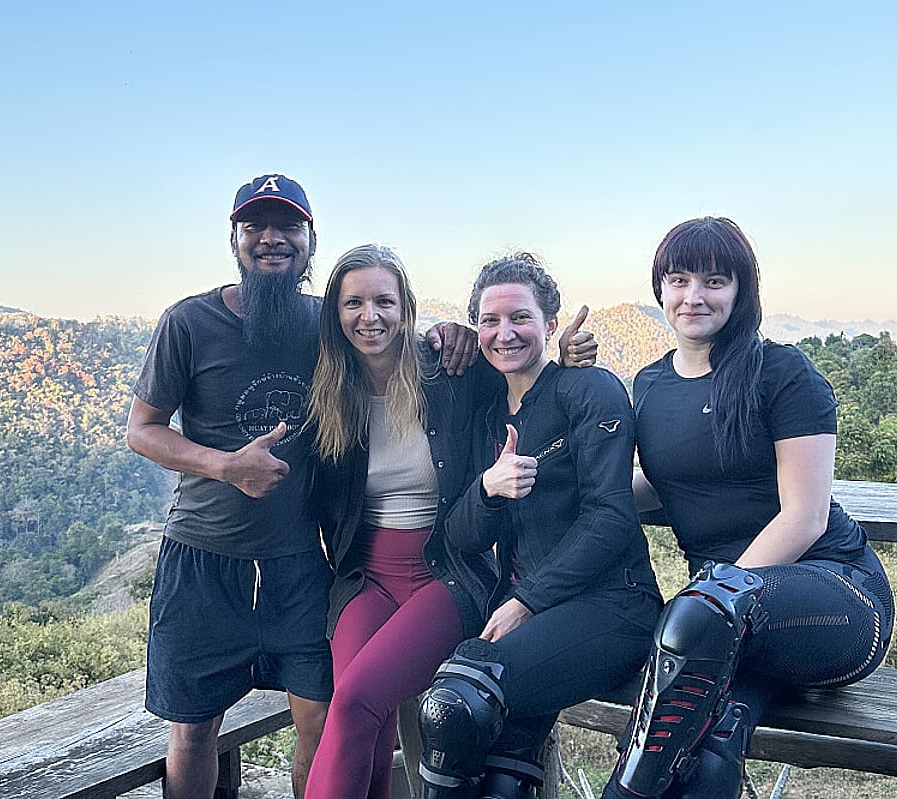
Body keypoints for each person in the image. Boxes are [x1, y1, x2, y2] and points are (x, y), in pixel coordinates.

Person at [126, 175, 478, 799]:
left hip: (301, 562)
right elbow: (143, 431)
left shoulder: (325, 323)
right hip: (203, 557)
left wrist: (450, 334)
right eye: (255, 226)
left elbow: (386, 332)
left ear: (310, 241)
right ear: (234, 239)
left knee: (321, 718)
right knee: (193, 730)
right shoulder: (189, 322)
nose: (271, 239)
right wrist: (225, 466)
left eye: (287, 226)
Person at [601, 217, 895, 799]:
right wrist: (576, 494)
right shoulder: (651, 384)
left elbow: (804, 516)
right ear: (659, 287)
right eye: (679, 279)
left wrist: (715, 597)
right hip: (721, 630)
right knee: (707, 753)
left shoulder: (781, 373)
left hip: (834, 596)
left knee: (697, 620)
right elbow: (664, 483)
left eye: (714, 281)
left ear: (741, 291)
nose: (693, 297)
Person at [304, 245, 598, 799]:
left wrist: (565, 355)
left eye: (384, 301)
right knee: (361, 717)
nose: (371, 316)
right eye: (355, 303)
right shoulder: (331, 392)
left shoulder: (451, 375)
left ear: (406, 307)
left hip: (445, 572)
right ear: (335, 314)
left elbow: (520, 373)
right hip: (364, 577)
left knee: (355, 701)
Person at [418, 253, 663, 799]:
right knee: (499, 758)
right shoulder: (488, 415)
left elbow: (612, 516)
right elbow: (463, 536)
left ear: (550, 326)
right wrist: (488, 488)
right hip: (527, 613)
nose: (505, 333)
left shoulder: (588, 390)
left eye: (521, 318)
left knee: (460, 700)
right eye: (490, 321)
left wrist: (526, 601)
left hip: (612, 604)